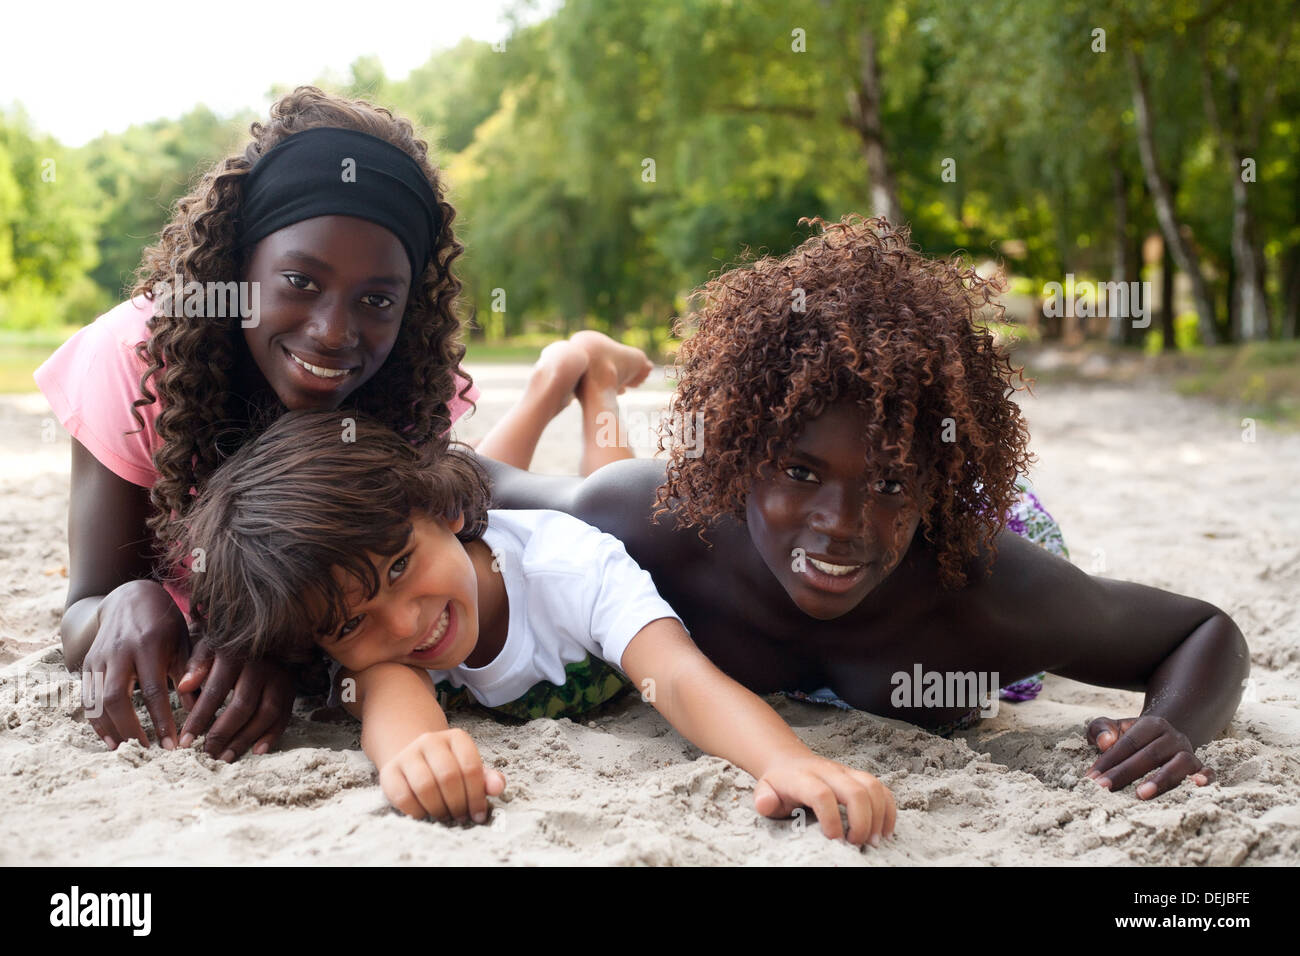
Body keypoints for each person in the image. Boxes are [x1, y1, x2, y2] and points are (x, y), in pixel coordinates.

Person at [484, 216, 1251, 800]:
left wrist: (1174, 725)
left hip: (995, 520)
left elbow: (1200, 630)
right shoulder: (669, 525)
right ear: (740, 458)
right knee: (600, 509)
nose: (840, 522)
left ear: (931, 479)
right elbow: (471, 479)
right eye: (799, 470)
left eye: (887, 482)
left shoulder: (990, 591)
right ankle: (579, 376)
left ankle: (593, 377)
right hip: (681, 505)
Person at [34, 86, 645, 763]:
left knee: (590, 511)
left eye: (377, 298)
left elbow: (458, 530)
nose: (333, 334)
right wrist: (132, 597)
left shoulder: (398, 375)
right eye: (300, 281)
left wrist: (275, 647)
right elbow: (84, 608)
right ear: (239, 266)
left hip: (437, 479)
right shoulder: (139, 365)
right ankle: (553, 379)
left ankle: (582, 379)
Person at [174, 411, 897, 846]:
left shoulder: (571, 569)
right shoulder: (383, 646)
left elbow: (676, 676)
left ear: (445, 512)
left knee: (613, 477)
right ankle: (561, 377)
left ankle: (588, 382)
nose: (406, 623)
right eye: (353, 621)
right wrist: (417, 758)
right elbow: (392, 700)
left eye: (399, 567)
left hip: (624, 527)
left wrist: (783, 761)